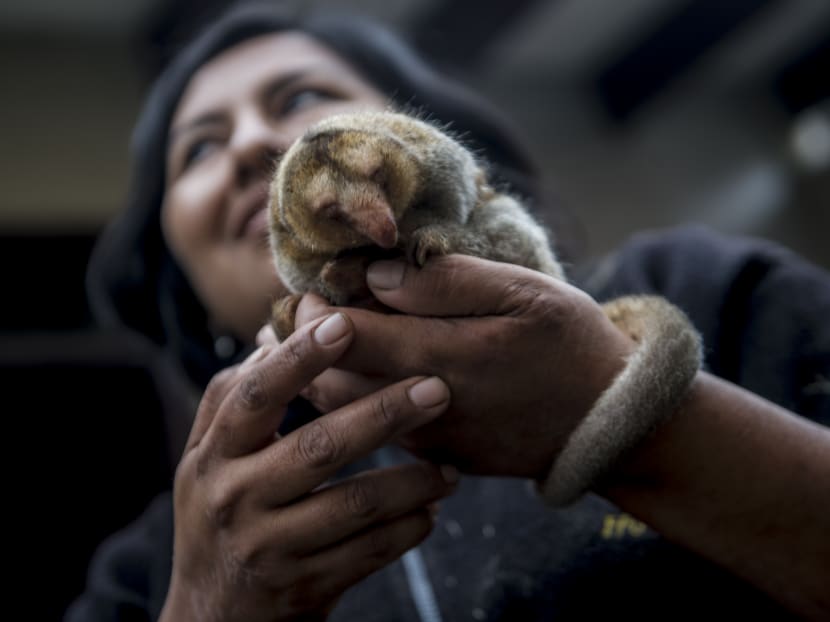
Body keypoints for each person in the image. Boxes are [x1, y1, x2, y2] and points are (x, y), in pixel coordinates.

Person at [67, 3, 830, 621]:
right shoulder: (161, 559)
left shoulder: (700, 285)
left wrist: (630, 416)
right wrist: (206, 606)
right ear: (181, 278)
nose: (254, 144)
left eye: (300, 99)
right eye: (199, 149)